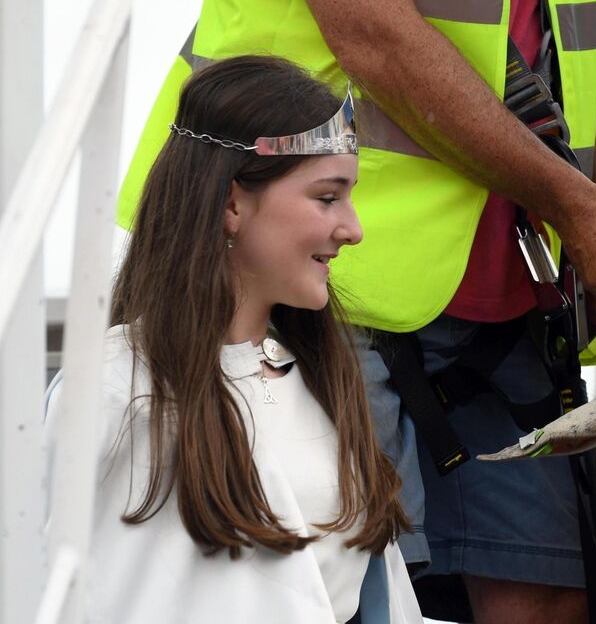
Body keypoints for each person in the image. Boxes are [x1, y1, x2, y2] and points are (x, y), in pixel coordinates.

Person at [117, 0, 596, 622]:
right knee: (350, 590)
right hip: (306, 284)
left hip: (513, 294)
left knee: (546, 598)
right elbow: (372, 34)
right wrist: (583, 210)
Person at [46, 55, 422, 624]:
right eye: (327, 197)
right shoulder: (114, 387)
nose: (354, 228)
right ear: (230, 203)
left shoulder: (328, 379)